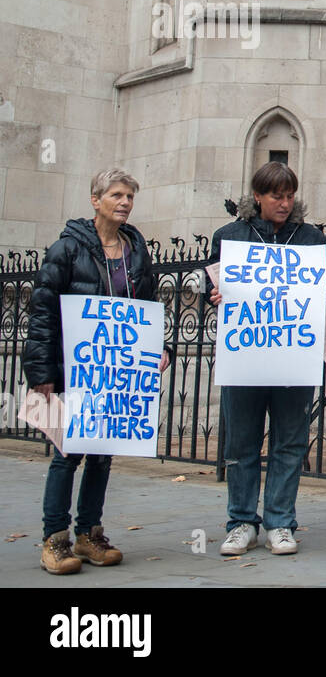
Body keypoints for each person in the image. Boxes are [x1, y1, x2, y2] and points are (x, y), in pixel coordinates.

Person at [23, 169, 169, 575]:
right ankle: (55, 539)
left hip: (116, 373)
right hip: (74, 371)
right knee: (67, 454)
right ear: (95, 200)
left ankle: (89, 534)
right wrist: (41, 373)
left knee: (102, 455)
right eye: (117, 195)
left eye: (130, 197)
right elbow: (42, 313)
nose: (124, 203)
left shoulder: (135, 250)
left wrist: (160, 348)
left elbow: (148, 309)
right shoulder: (67, 249)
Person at [207, 161, 326, 557]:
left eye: (290, 196)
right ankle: (241, 523)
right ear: (257, 197)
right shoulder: (230, 236)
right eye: (276, 196)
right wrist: (215, 297)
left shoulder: (311, 238)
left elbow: (325, 285)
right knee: (240, 445)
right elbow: (213, 287)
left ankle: (280, 522)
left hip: (293, 359)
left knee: (290, 443)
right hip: (245, 357)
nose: (284, 203)